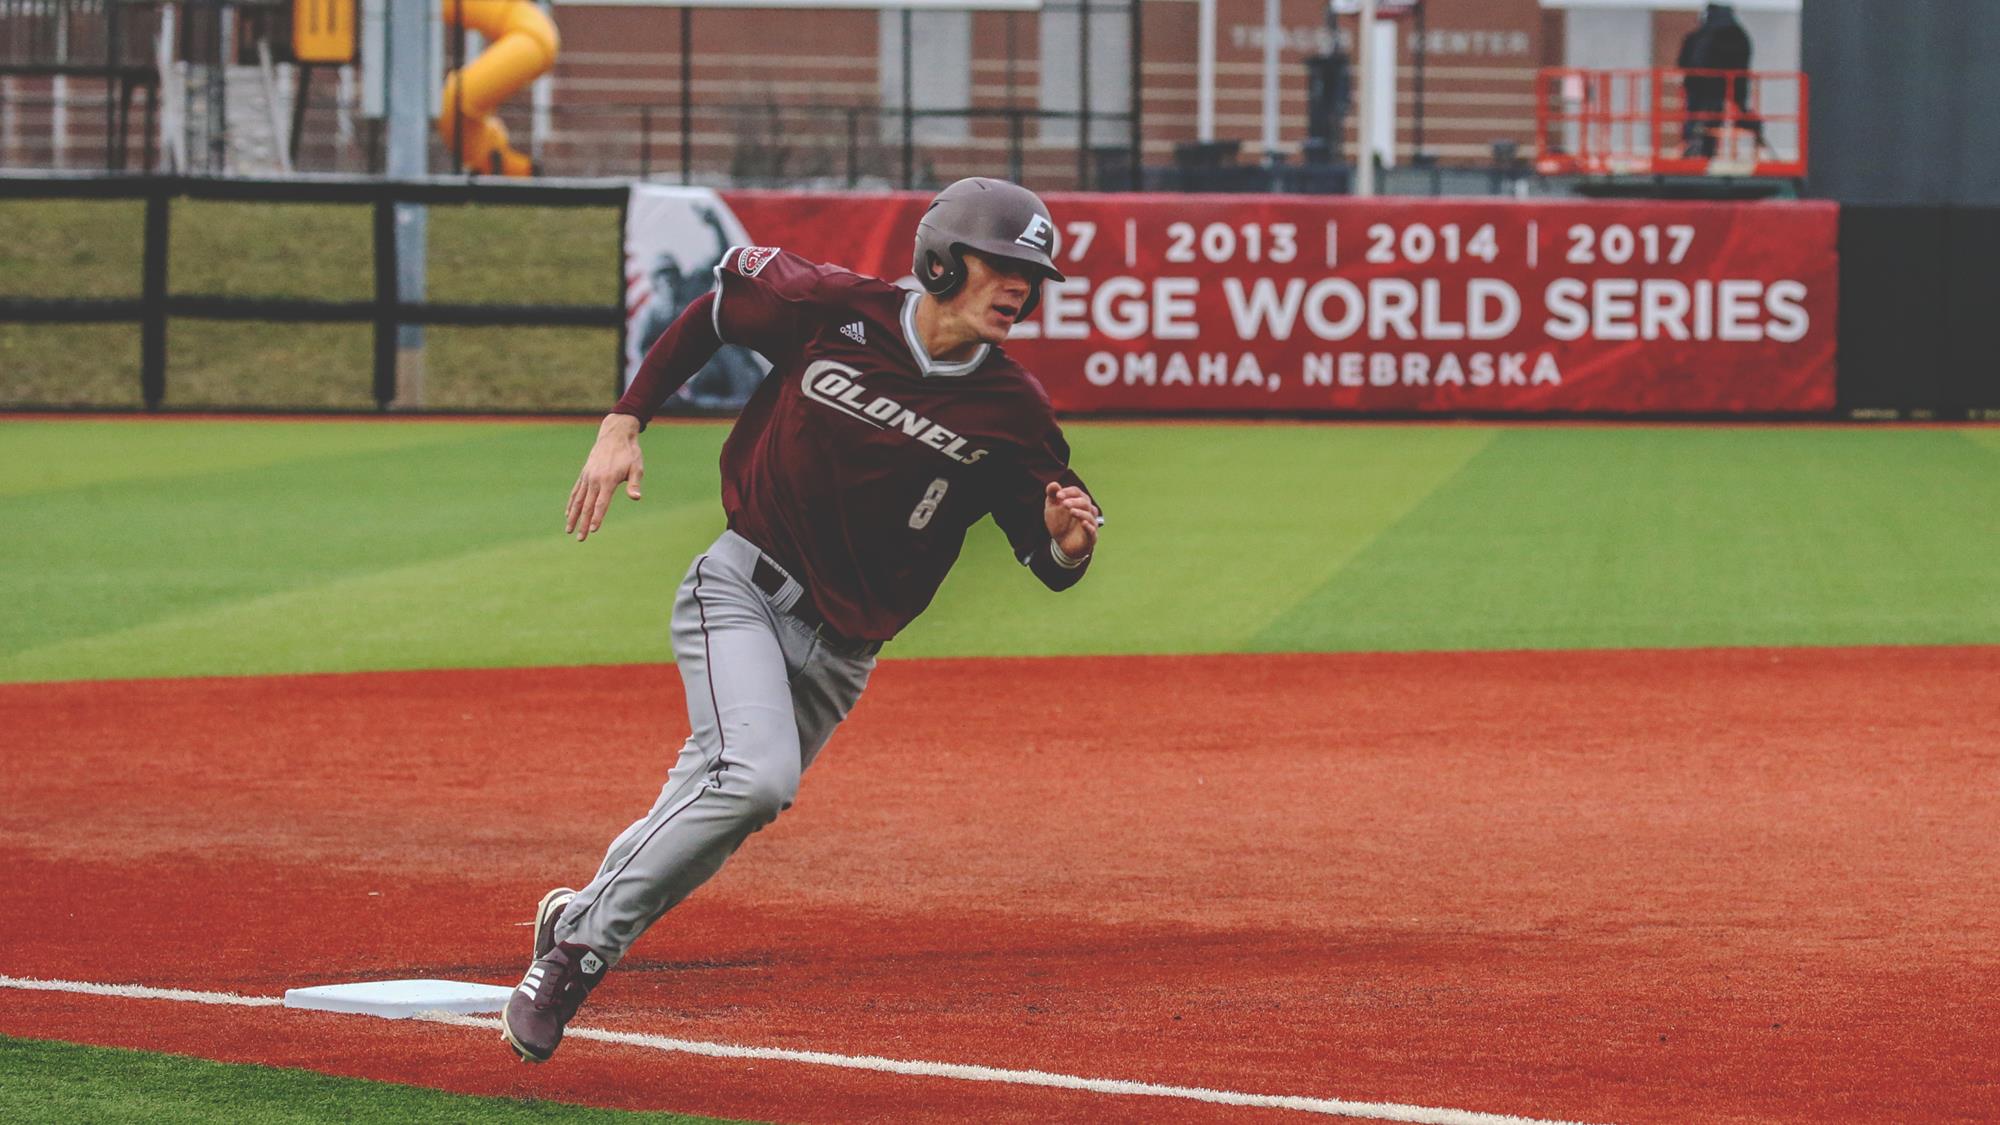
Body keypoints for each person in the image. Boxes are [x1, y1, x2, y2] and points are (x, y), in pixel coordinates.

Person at [501, 177, 1104, 1064]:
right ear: (942, 259)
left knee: (716, 799)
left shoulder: (1011, 414)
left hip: (844, 653)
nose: (1023, 285)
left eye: (1035, 273)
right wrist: (624, 419)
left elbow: (1044, 559)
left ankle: (575, 910)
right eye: (1006, 263)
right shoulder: (831, 310)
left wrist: (1067, 546)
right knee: (753, 780)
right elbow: (713, 312)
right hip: (741, 587)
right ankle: (577, 954)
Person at [1677, 3, 1757, 158]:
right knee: (1711, 123)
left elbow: (1685, 61)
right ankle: (1705, 151)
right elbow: (1741, 68)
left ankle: (1692, 149)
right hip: (1719, 90)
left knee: (1695, 121)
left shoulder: (1699, 35)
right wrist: (1740, 101)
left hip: (1698, 88)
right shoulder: (1738, 36)